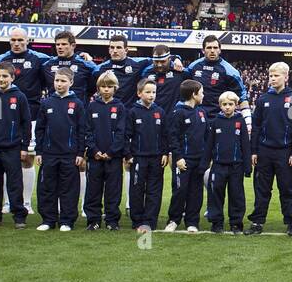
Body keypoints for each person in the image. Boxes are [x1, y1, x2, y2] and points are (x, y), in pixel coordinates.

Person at [0, 27, 53, 216]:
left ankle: (25, 202)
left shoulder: (39, 59)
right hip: (4, 115)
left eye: (20, 40)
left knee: (26, 159)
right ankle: (8, 203)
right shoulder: (0, 60)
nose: (16, 43)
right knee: (4, 160)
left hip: (31, 115)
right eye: (13, 40)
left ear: (27, 41)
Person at [248, 62, 292, 236]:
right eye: (271, 75)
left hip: (285, 152)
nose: (272, 78)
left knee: (286, 189)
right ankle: (257, 222)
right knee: (262, 189)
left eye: (276, 75)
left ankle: (291, 223)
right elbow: (256, 127)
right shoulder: (263, 99)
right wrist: (254, 151)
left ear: (286, 77)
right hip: (264, 151)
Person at [33, 69, 87, 232]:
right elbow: (40, 129)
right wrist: (39, 151)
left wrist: (79, 153)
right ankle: (48, 220)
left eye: (63, 81)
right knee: (47, 188)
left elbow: (81, 130)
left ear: (71, 83)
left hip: (69, 154)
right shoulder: (46, 103)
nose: (59, 84)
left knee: (68, 189)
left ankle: (67, 220)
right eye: (57, 80)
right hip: (49, 153)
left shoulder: (77, 104)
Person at [0, 61, 30, 229]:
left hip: (13, 148)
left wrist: (24, 147)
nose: (1, 79)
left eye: (4, 76)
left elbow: (26, 124)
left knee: (15, 184)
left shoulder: (19, 97)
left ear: (12, 77)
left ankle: (19, 215)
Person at [83, 71, 127, 231]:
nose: (106, 89)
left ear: (115, 88)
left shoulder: (120, 107)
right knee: (93, 190)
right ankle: (93, 220)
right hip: (95, 157)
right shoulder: (92, 106)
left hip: (113, 157)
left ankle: (112, 220)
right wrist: (94, 150)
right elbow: (87, 131)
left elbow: (122, 132)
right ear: (98, 88)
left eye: (109, 86)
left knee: (113, 190)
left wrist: (111, 152)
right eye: (103, 86)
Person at [125, 79, 169, 234]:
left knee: (154, 190)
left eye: (154, 92)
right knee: (137, 190)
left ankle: (150, 220)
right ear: (139, 93)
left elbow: (165, 135)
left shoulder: (160, 112)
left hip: (156, 158)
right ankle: (137, 220)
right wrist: (128, 154)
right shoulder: (132, 112)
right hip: (138, 158)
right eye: (148, 92)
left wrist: (165, 152)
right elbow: (126, 135)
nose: (151, 95)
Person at [165, 79, 210, 233]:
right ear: (193, 94)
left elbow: (206, 137)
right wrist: (178, 158)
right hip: (184, 160)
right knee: (179, 190)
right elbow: (173, 137)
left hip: (199, 161)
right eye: (201, 92)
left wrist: (206, 158)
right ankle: (173, 220)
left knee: (196, 192)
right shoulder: (178, 113)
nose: (203, 95)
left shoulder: (202, 112)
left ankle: (192, 221)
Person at [206, 92, 251, 234]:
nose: (227, 107)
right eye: (224, 104)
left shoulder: (240, 121)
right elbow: (209, 145)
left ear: (236, 105)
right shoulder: (215, 122)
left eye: (230, 104)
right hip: (218, 165)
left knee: (236, 195)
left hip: (236, 166)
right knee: (215, 194)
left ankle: (236, 223)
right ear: (220, 105)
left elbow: (245, 144)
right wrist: (204, 164)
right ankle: (216, 222)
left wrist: (247, 166)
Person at [184, 35, 246, 106]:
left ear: (219, 50)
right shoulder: (193, 66)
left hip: (217, 114)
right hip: (196, 113)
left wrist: (247, 115)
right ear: (203, 50)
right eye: (209, 48)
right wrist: (175, 58)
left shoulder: (230, 71)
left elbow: (241, 95)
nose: (212, 51)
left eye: (215, 48)